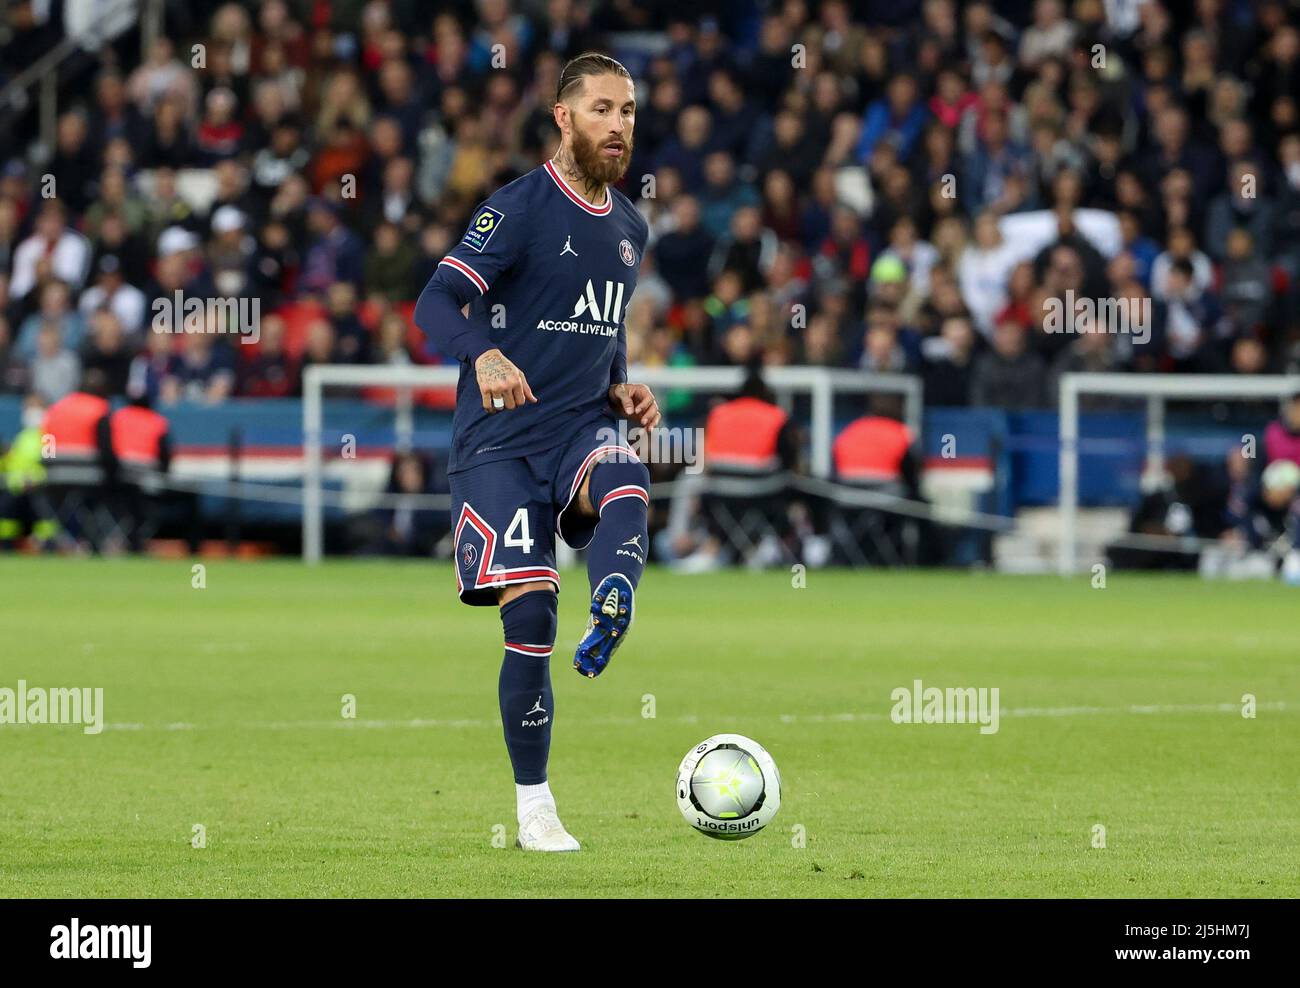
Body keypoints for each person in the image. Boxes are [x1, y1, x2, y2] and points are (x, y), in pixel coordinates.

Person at [414, 53, 658, 853]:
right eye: (601, 110)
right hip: (500, 445)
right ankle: (534, 809)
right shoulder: (518, 210)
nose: (618, 125)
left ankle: (615, 599)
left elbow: (603, 322)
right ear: (564, 117)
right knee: (531, 615)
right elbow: (435, 299)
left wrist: (622, 384)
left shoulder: (630, 227)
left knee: (625, 470)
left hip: (578, 429)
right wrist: (482, 354)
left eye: (626, 110)